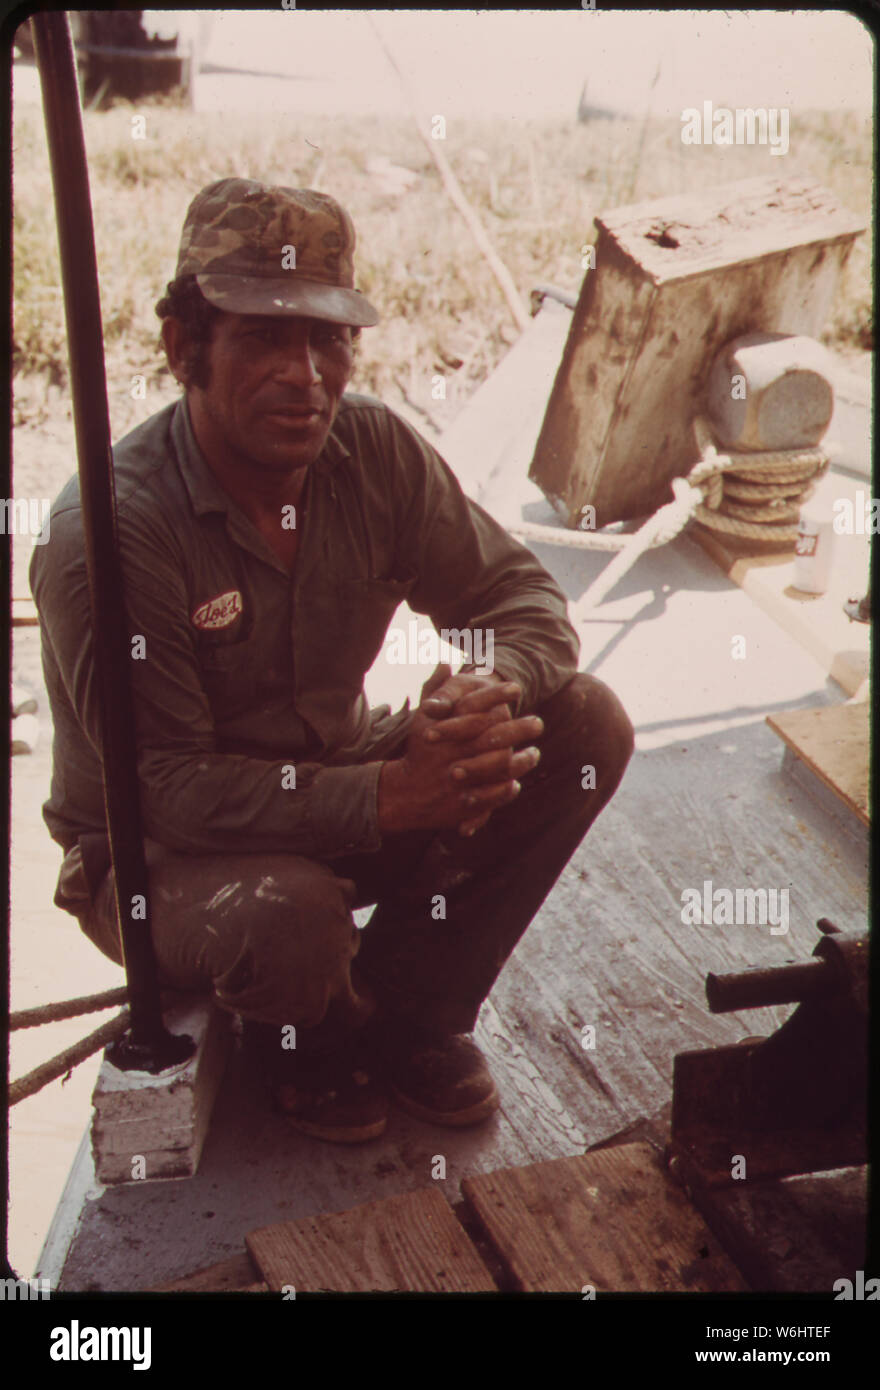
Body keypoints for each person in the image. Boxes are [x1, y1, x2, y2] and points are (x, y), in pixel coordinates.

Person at [30, 178, 634, 1143]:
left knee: (582, 723)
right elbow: (168, 789)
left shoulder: (373, 450)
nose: (306, 374)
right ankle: (319, 1037)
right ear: (185, 347)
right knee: (292, 917)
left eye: (329, 339)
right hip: (156, 855)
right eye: (265, 339)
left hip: (331, 780)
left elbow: (517, 599)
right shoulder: (110, 532)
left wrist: (494, 687)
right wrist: (398, 798)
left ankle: (404, 1016)